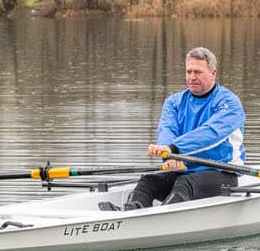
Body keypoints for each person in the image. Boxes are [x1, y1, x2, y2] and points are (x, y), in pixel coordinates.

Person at [100, 46, 245, 211]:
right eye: (189, 72)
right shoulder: (174, 102)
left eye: (198, 72)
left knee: (184, 183)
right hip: (184, 169)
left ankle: (157, 218)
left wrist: (174, 149)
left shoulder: (229, 103)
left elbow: (211, 133)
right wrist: (168, 155)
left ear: (213, 73)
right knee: (148, 181)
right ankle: (131, 212)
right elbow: (167, 130)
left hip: (223, 172)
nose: (192, 77)